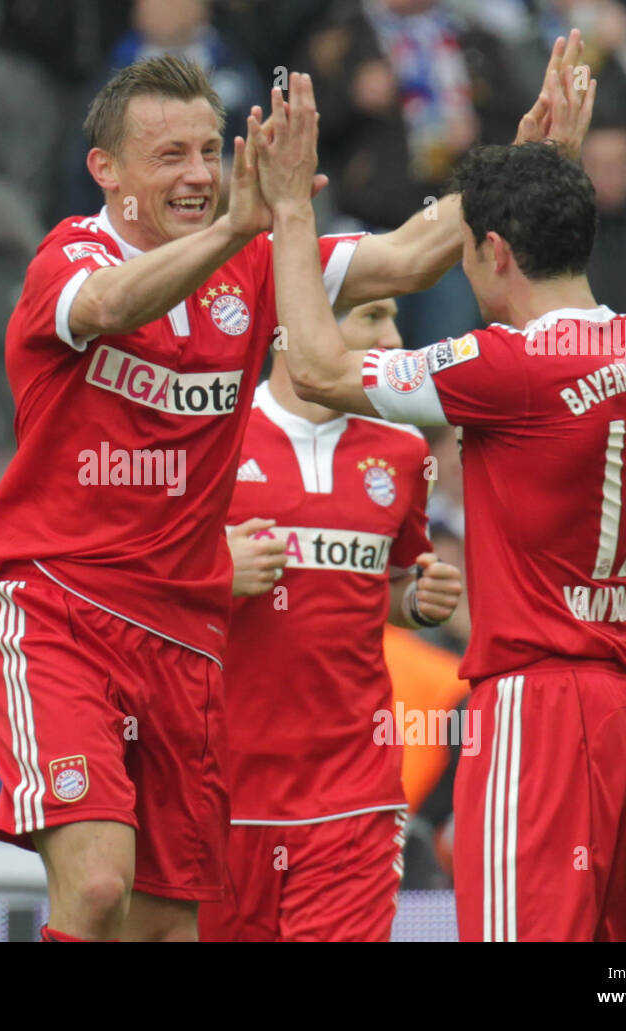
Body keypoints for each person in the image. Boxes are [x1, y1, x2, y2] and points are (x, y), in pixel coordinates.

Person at [0, 45, 582, 942]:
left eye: (207, 151)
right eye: (168, 155)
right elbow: (105, 309)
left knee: (166, 923)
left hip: (185, 638)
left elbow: (410, 257)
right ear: (105, 171)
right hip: (60, 606)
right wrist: (237, 229)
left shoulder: (253, 261)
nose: (196, 174)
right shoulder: (69, 257)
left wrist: (521, 172)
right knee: (99, 887)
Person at [254, 60, 626, 942]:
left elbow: (317, 366)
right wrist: (541, 169)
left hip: (539, 702)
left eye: (470, 253)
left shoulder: (511, 370)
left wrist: (293, 209)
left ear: (495, 252)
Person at [197, 298, 463, 941]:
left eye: (394, 317)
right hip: (221, 791)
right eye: (370, 317)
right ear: (296, 319)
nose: (395, 337)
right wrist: (213, 574)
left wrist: (417, 600)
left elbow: (394, 584)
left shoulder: (403, 451)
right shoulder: (207, 436)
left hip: (354, 790)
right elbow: (130, 589)